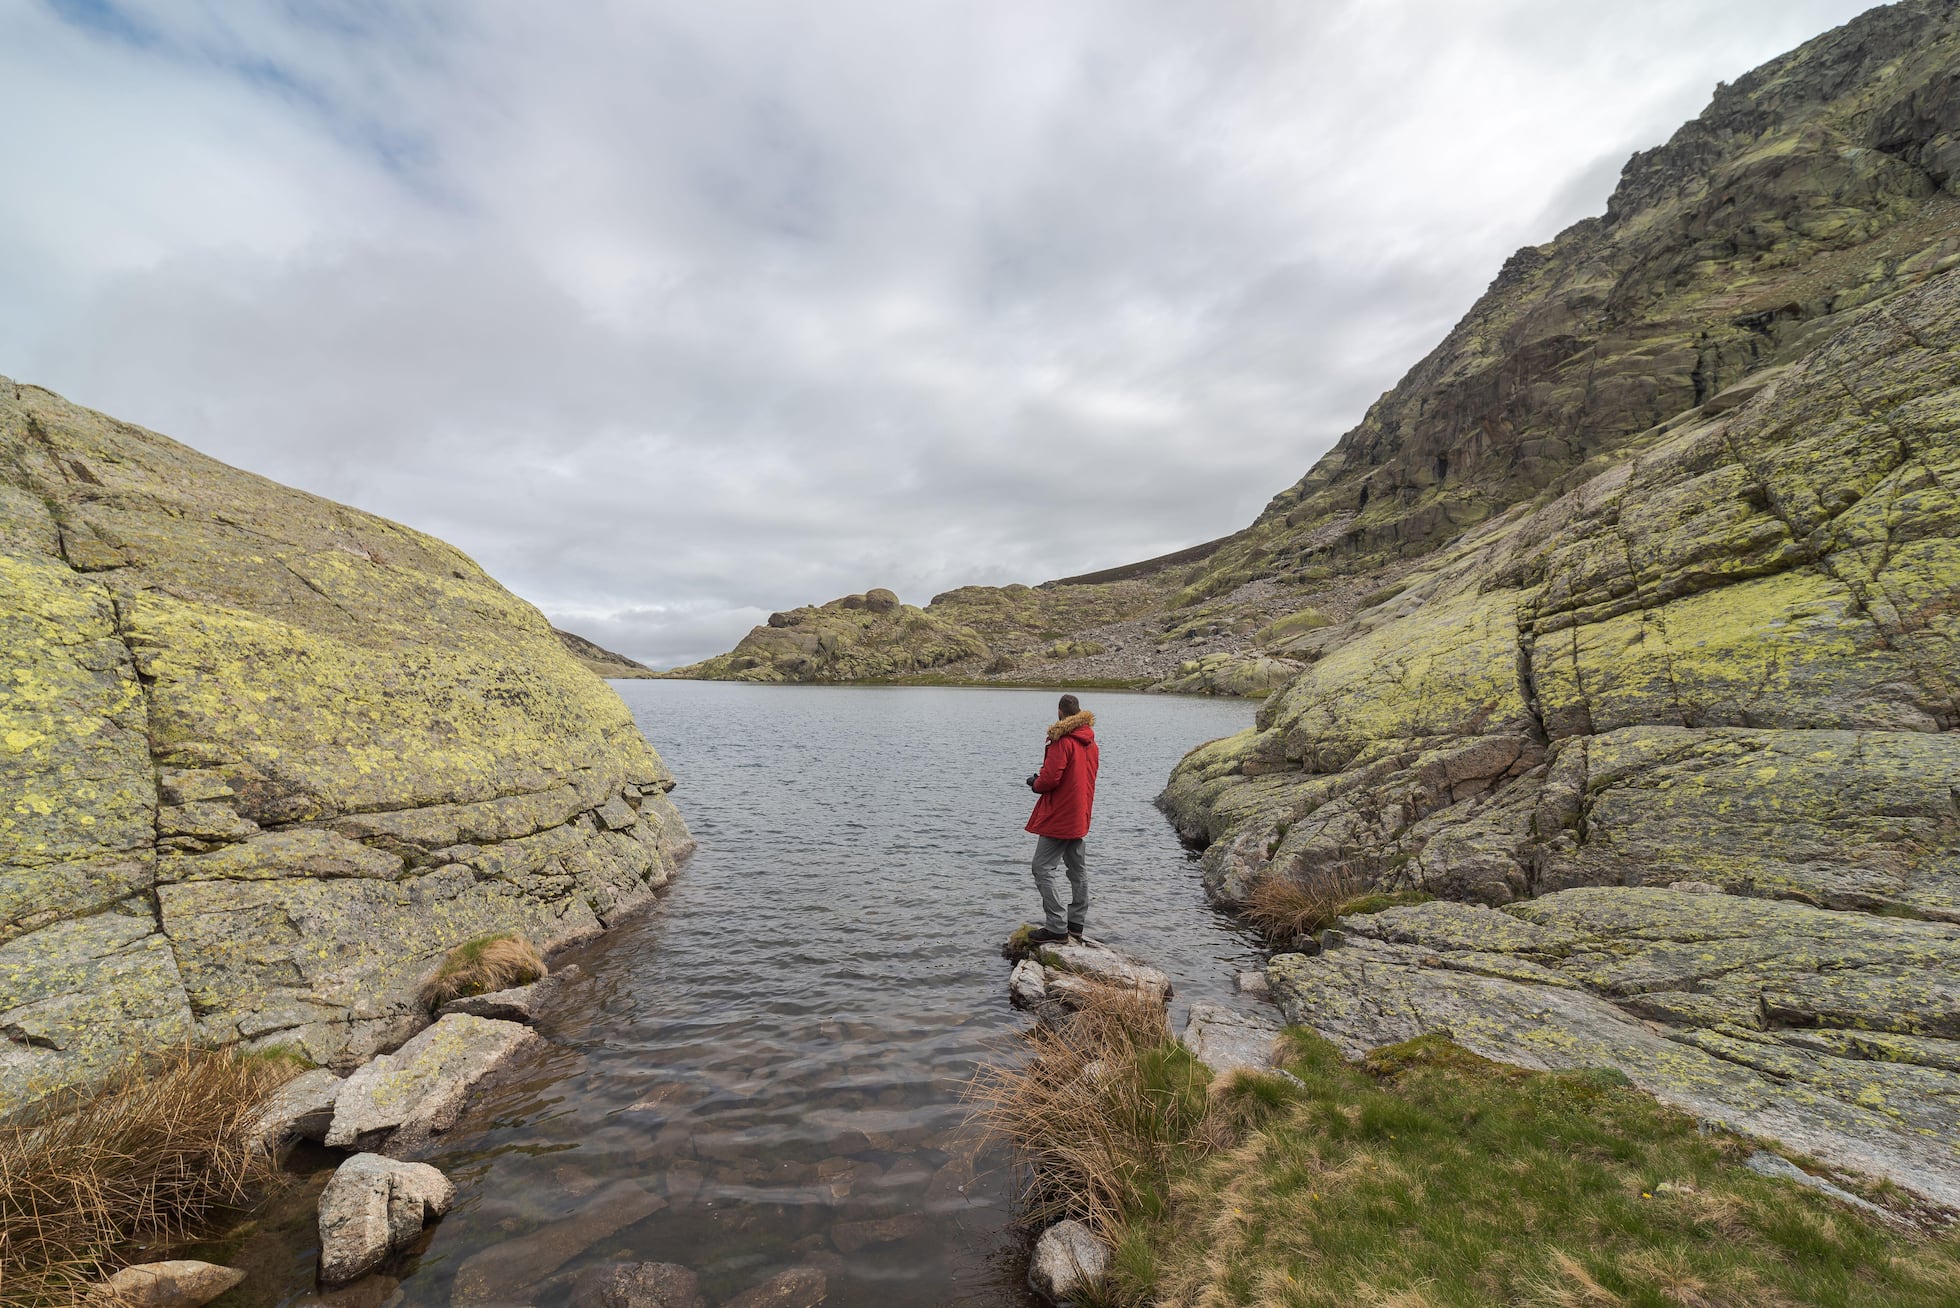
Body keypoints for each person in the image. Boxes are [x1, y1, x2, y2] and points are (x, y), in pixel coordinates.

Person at [1023, 693, 1100, 945]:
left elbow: (1050, 780)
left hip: (1060, 816)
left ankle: (1056, 927)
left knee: (1041, 868)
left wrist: (1035, 783)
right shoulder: (1091, 743)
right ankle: (1076, 924)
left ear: (1060, 712)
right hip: (1080, 814)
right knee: (1077, 870)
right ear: (1078, 712)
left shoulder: (1062, 741)